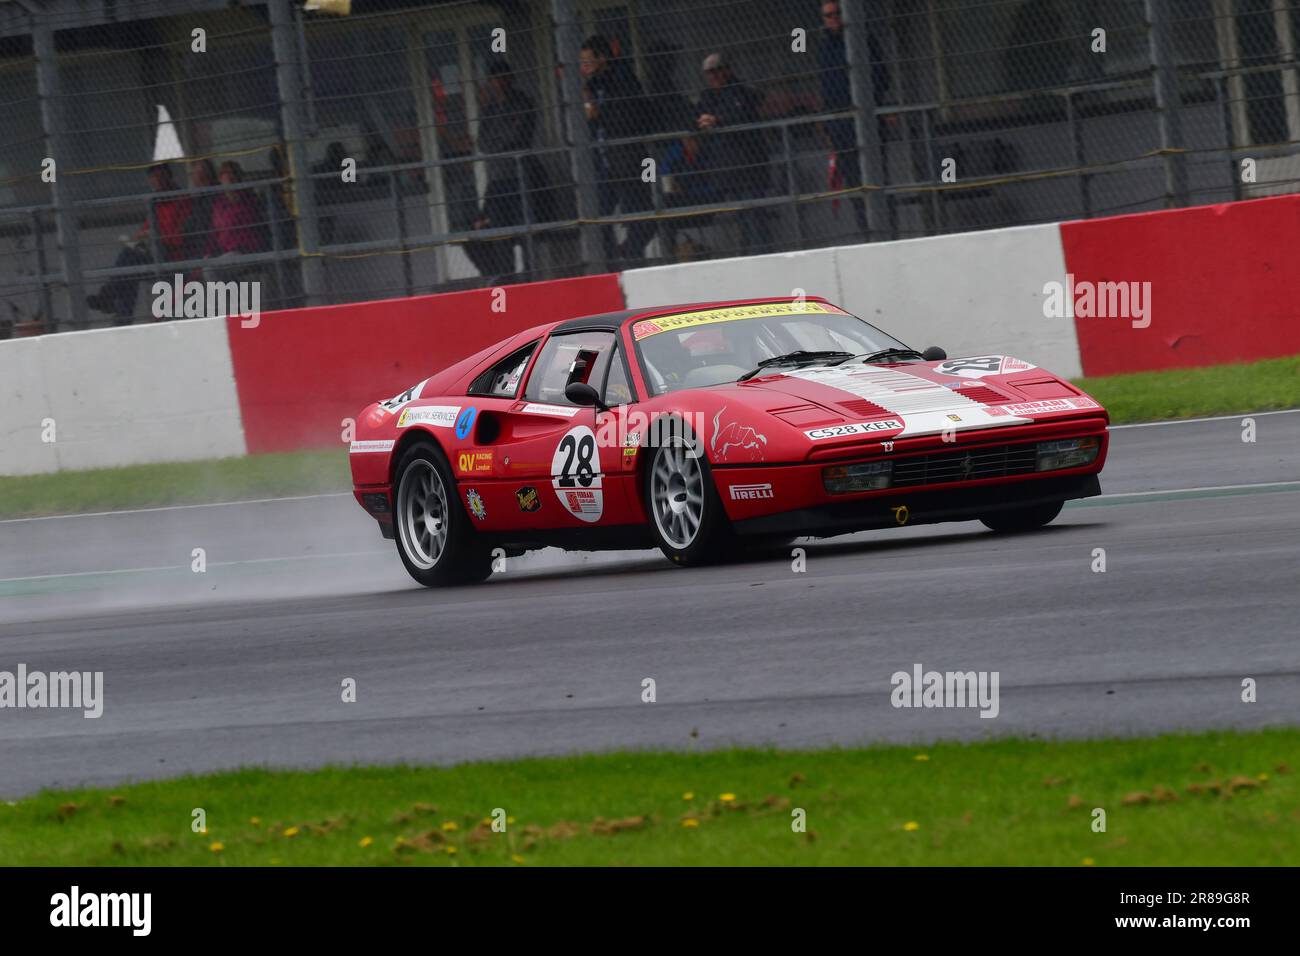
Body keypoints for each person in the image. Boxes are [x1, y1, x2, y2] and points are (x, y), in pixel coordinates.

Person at [580, 35, 657, 265]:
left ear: (602, 58)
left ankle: (633, 259)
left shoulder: (622, 78)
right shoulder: (593, 85)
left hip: (630, 160)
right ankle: (613, 264)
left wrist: (599, 114)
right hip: (604, 164)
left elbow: (629, 116)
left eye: (588, 61)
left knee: (641, 216)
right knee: (599, 217)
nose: (584, 67)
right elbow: (589, 123)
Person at [465, 61, 543, 281]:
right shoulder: (489, 109)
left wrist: (500, 139)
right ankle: (506, 279)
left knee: (526, 229)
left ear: (510, 79)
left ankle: (531, 277)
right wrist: (502, 137)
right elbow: (484, 143)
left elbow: (518, 136)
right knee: (500, 231)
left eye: (502, 79)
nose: (498, 84)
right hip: (498, 180)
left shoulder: (522, 102)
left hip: (520, 177)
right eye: (493, 80)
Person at [818, 0, 891, 235]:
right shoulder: (825, 47)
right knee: (854, 182)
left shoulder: (862, 40)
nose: (833, 19)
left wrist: (866, 100)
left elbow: (882, 76)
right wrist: (829, 125)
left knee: (877, 179)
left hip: (866, 118)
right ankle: (866, 232)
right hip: (841, 123)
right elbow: (825, 88)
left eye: (837, 13)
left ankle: (887, 231)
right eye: (828, 15)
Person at [85, 163, 191, 325]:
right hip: (152, 251)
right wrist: (140, 238)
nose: (157, 182)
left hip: (172, 254)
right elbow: (145, 230)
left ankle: (109, 296)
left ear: (169, 178)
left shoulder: (181, 200)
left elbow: (181, 235)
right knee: (129, 269)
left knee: (129, 260)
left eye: (160, 178)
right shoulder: (155, 202)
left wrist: (155, 235)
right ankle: (122, 319)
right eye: (154, 179)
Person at [695, 53, 772, 252]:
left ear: (727, 70)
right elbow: (697, 118)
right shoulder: (708, 96)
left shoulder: (741, 92)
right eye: (709, 73)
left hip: (749, 163)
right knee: (741, 215)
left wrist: (717, 120)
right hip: (727, 166)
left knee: (755, 213)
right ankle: (748, 253)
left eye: (716, 71)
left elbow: (742, 116)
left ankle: (760, 253)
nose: (713, 77)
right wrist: (705, 121)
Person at [207, 161, 266, 259]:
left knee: (210, 270)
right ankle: (178, 275)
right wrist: (209, 252)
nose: (230, 176)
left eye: (234, 173)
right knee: (183, 270)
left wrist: (235, 199)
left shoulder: (248, 199)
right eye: (225, 173)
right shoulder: (219, 204)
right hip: (223, 251)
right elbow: (215, 232)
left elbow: (241, 222)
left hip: (243, 250)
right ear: (220, 178)